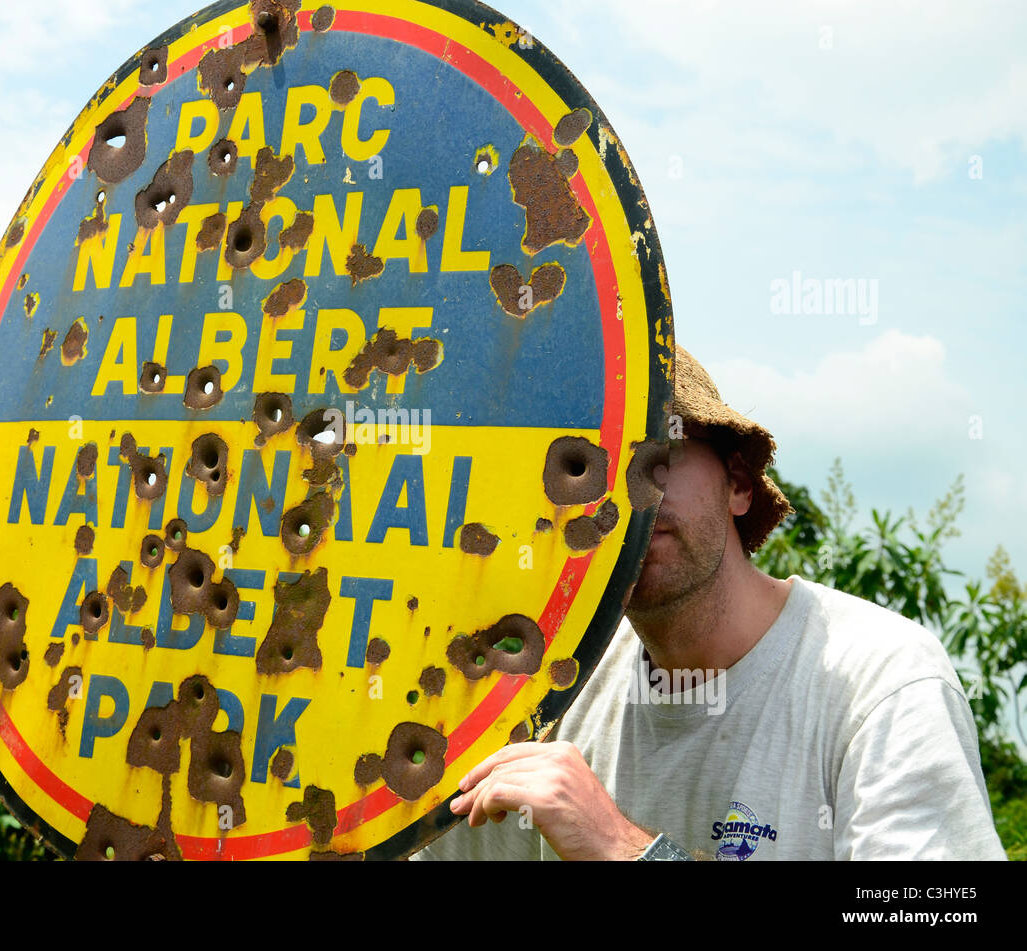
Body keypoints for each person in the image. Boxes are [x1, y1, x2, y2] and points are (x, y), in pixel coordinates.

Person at [413, 347, 1006, 861]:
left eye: (660, 452)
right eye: (583, 465)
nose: (629, 492)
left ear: (740, 483)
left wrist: (622, 848)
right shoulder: (555, 687)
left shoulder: (880, 681)